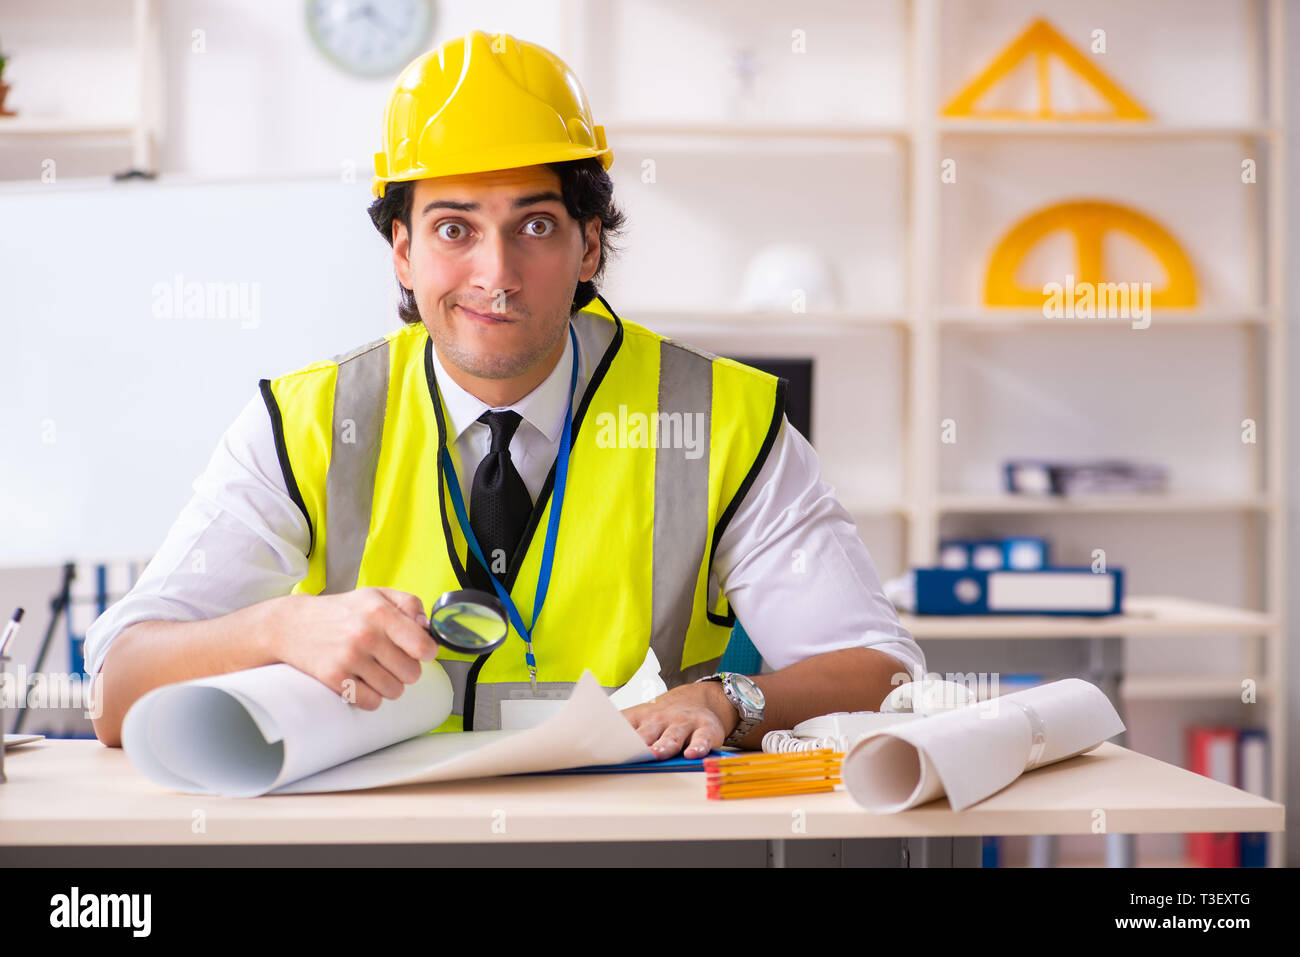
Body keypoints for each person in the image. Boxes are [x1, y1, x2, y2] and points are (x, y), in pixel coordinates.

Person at [86, 30, 924, 758]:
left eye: (535, 225)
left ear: (590, 245)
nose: (496, 274)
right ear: (403, 253)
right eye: (456, 228)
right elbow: (118, 685)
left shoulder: (717, 418)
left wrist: (733, 700)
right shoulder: (304, 423)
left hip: (638, 841)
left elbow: (882, 670)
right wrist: (276, 630)